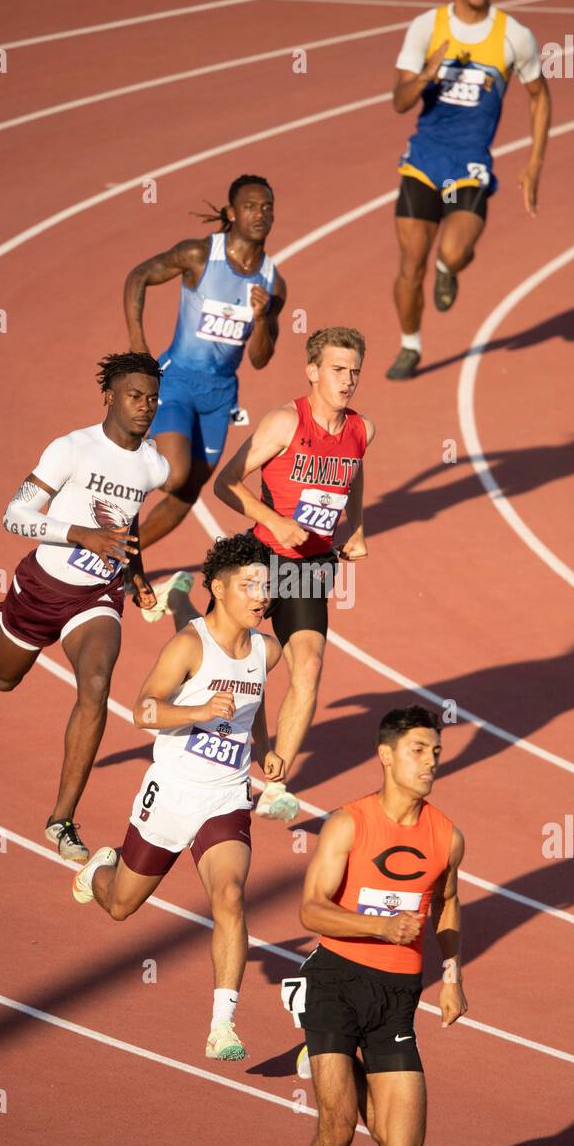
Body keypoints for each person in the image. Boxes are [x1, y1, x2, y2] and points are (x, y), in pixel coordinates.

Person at [0, 353, 173, 861]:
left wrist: (135, 577)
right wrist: (80, 535)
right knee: (4, 677)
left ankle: (61, 820)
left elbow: (127, 521)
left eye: (153, 398)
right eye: (135, 396)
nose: (146, 407)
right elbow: (14, 515)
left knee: (96, 684)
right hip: (44, 588)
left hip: (98, 596)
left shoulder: (154, 466)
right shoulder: (71, 449)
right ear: (109, 397)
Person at [71, 532, 284, 1062]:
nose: (262, 595)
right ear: (217, 588)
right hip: (170, 793)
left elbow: (251, 712)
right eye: (249, 585)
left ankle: (222, 1025)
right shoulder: (189, 645)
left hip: (226, 798)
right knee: (120, 905)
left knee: (231, 897)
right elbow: (142, 711)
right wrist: (195, 713)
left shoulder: (267, 650)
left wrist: (265, 750)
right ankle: (102, 865)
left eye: (266, 584)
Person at [289, 706, 467, 1146]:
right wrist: (380, 928)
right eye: (418, 751)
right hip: (336, 981)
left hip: (397, 995)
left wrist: (453, 977)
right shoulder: (350, 822)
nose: (430, 762)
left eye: (435, 752)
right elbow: (311, 909)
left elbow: (449, 903)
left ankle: (341, 1064)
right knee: (338, 1127)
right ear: (386, 756)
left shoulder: (447, 837)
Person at [213, 327, 373, 822]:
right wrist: (276, 520)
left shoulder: (362, 430)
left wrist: (356, 527)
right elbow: (225, 482)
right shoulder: (284, 422)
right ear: (312, 371)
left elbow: (354, 472)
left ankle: (275, 785)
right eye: (337, 369)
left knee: (307, 666)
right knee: (232, 665)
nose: (347, 381)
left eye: (354, 371)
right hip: (261, 558)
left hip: (311, 568)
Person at [387, 0, 550, 380]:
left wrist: (534, 161)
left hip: (471, 162)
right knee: (408, 264)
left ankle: (448, 268)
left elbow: (539, 96)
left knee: (455, 251)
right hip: (424, 158)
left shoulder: (514, 36)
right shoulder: (427, 27)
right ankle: (409, 346)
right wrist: (425, 73)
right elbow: (400, 102)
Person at [123, 174, 287, 566]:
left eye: (266, 207)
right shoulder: (200, 255)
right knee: (176, 473)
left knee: (188, 491)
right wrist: (137, 343)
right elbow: (139, 276)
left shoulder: (273, 281)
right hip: (177, 382)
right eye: (250, 206)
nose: (259, 214)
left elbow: (261, 359)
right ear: (231, 213)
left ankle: (125, 557)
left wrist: (263, 318)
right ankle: (113, 494)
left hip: (220, 398)